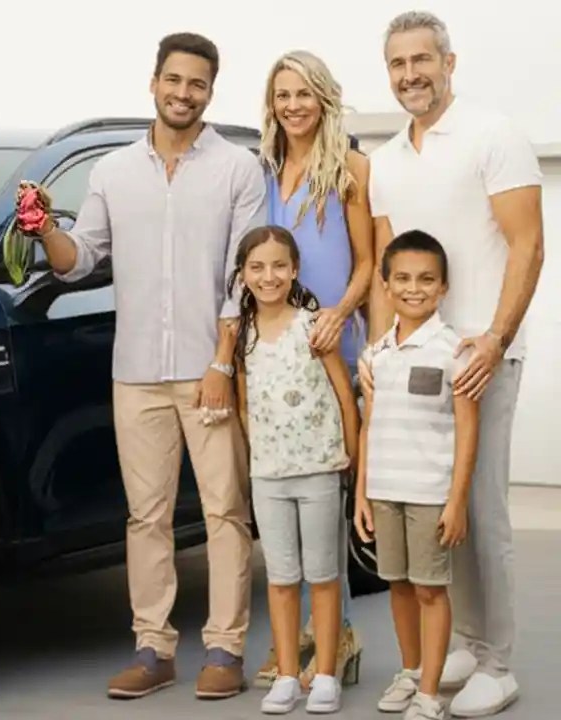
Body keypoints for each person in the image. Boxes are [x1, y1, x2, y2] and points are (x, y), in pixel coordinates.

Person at [27, 31, 266, 700]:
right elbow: (79, 258)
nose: (183, 93)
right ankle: (153, 649)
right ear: (154, 82)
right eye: (174, 80)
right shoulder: (112, 171)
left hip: (207, 367)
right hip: (134, 371)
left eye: (197, 83)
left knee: (224, 511)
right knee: (146, 516)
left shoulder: (237, 170)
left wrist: (223, 362)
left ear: (210, 92)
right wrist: (43, 225)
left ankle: (224, 649)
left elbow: (240, 277)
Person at [362, 11, 544, 717]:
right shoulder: (384, 160)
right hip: (410, 364)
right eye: (398, 64)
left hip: (479, 356)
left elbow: (527, 246)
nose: (411, 74)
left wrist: (495, 340)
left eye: (422, 60)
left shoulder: (492, 134)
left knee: (482, 510)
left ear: (449, 62)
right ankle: (465, 639)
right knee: (437, 511)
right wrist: (378, 353)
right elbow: (383, 267)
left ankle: (499, 662)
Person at [251, 49, 374, 691]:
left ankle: (329, 639)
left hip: (332, 346)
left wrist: (342, 315)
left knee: (328, 501)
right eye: (282, 95)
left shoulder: (349, 168)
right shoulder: (267, 170)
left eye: (303, 93)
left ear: (324, 98)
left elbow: (365, 261)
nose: (292, 105)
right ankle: (319, 638)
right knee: (290, 510)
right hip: (281, 357)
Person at [230, 225, 359, 714]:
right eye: (257, 267)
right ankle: (286, 674)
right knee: (281, 578)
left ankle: (325, 673)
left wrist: (350, 464)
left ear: (295, 269)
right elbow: (245, 408)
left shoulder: (315, 326)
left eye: (279, 266)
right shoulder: (242, 336)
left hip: (321, 470)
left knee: (323, 576)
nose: (269, 276)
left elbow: (346, 399)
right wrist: (255, 466)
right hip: (270, 476)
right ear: (243, 275)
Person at [356, 230, 479, 720]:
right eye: (402, 278)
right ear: (385, 285)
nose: (414, 288)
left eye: (427, 280)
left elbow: (469, 430)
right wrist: (363, 493)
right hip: (385, 492)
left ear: (444, 287)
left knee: (431, 588)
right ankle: (410, 673)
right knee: (399, 585)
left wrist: (457, 500)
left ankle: (430, 693)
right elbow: (369, 428)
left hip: (430, 494)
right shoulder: (375, 355)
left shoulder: (455, 351)